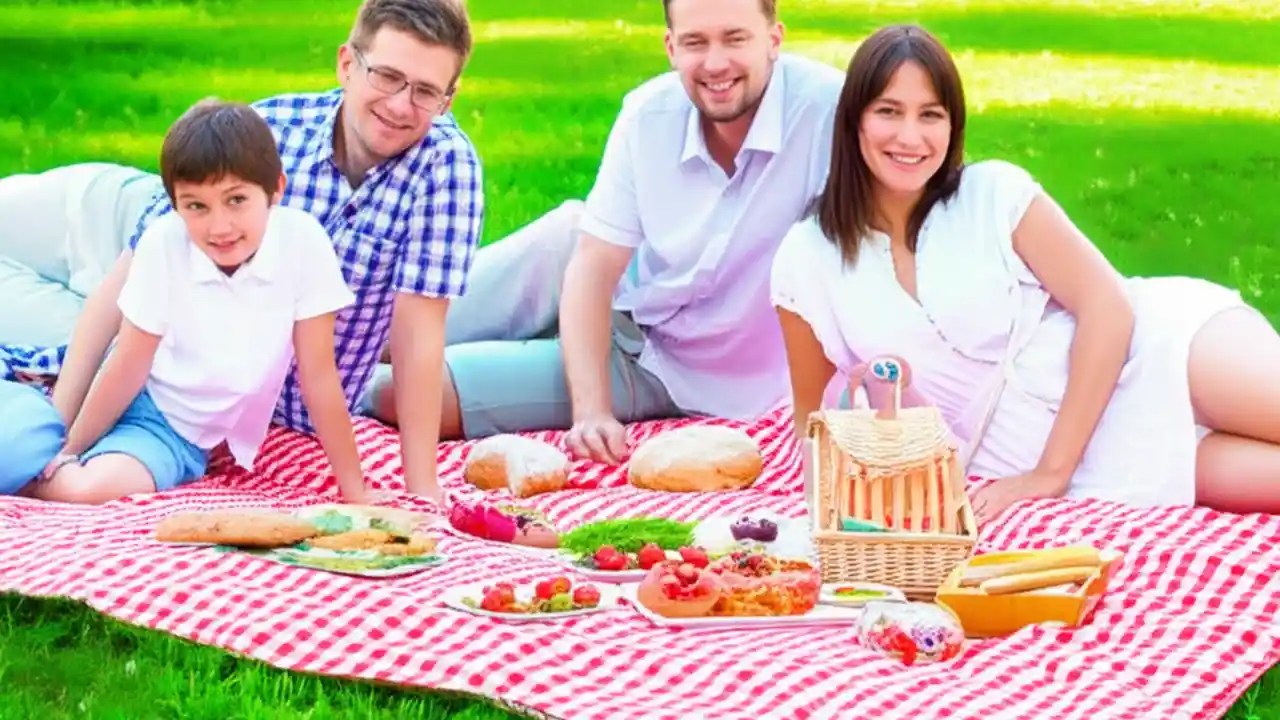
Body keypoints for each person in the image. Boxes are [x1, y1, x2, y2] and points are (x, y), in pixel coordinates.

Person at [771, 24, 1280, 525]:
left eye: (931, 115)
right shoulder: (808, 258)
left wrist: (1049, 473)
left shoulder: (993, 193)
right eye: (888, 111)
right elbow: (815, 424)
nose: (911, 136)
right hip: (1102, 459)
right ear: (853, 120)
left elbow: (1108, 306)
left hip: (1159, 351)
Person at [0, 0, 482, 505]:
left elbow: (417, 337)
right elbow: (116, 297)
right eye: (387, 76)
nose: (401, 105)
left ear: (449, 97)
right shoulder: (268, 132)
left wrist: (421, 490)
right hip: (135, 234)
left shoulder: (445, 169)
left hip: (191, 351)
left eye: (426, 91)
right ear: (347, 64)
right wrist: (63, 432)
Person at [365, 0, 843, 464]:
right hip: (613, 306)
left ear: (774, 38)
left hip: (661, 370)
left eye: (735, 38)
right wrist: (589, 412)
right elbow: (593, 267)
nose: (715, 63)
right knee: (568, 233)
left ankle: (359, 365)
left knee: (398, 395)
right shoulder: (649, 115)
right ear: (671, 46)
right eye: (695, 41)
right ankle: (342, 340)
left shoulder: (829, 114)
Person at [0, 100, 367, 505]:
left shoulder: (303, 243)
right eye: (196, 206)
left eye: (236, 200)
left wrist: (356, 492)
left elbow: (319, 376)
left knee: (92, 488)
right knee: (38, 447)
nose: (219, 226)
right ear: (176, 206)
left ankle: (31, 471)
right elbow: (128, 364)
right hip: (120, 390)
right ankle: (27, 455)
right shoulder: (164, 243)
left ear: (276, 188)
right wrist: (71, 447)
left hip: (172, 429)